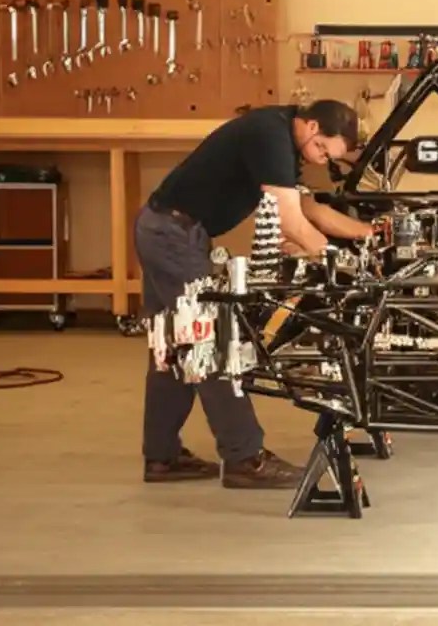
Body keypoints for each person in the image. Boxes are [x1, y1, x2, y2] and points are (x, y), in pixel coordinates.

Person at [136, 100, 375, 488]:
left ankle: (162, 457)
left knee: (173, 343)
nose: (319, 161)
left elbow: (308, 208)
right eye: (322, 150)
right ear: (312, 126)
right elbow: (291, 220)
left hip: (172, 231)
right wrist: (336, 262)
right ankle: (245, 458)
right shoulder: (269, 134)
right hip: (172, 235)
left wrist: (369, 235)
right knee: (209, 341)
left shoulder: (282, 136)